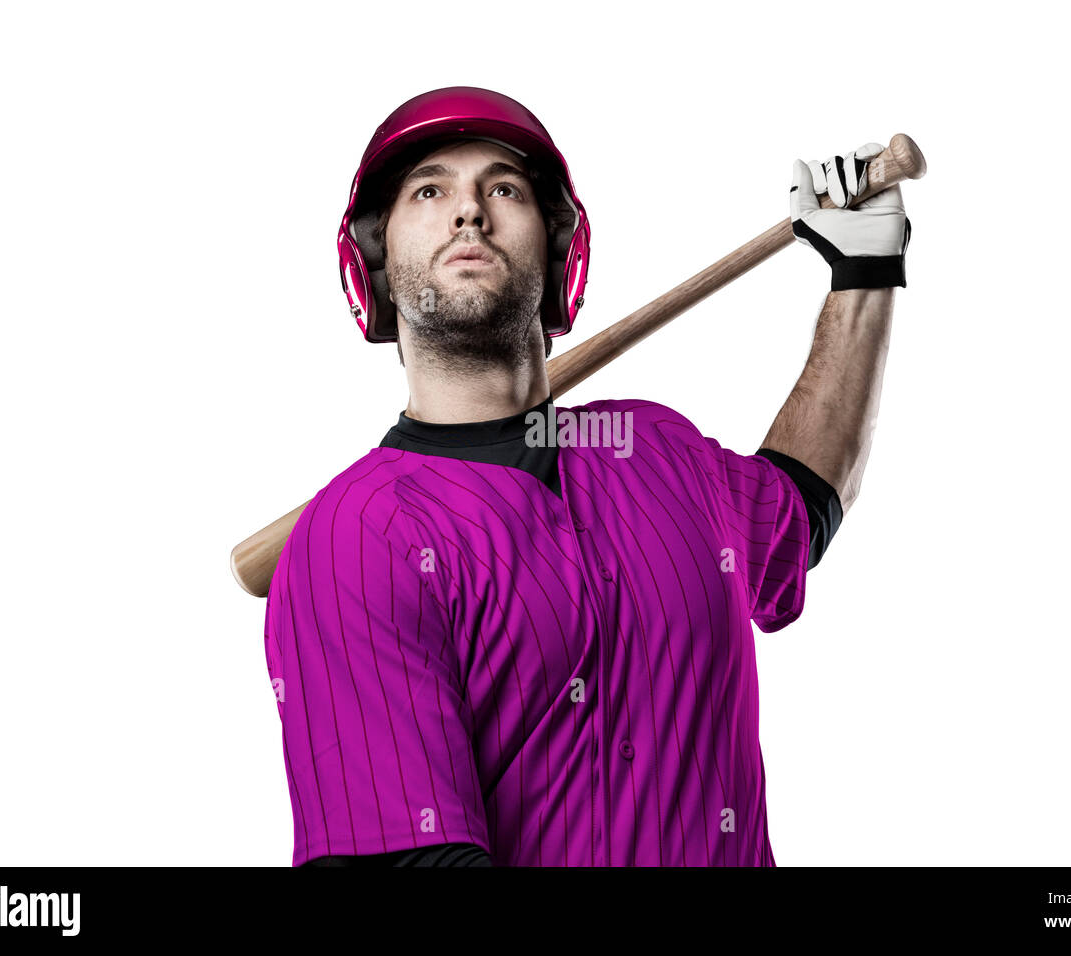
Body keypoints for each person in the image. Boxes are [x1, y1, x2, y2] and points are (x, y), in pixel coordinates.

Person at [263, 87, 910, 866]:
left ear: (559, 253)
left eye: (503, 188)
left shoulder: (653, 448)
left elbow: (800, 507)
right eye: (429, 191)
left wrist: (863, 271)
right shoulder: (351, 538)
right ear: (374, 268)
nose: (469, 211)